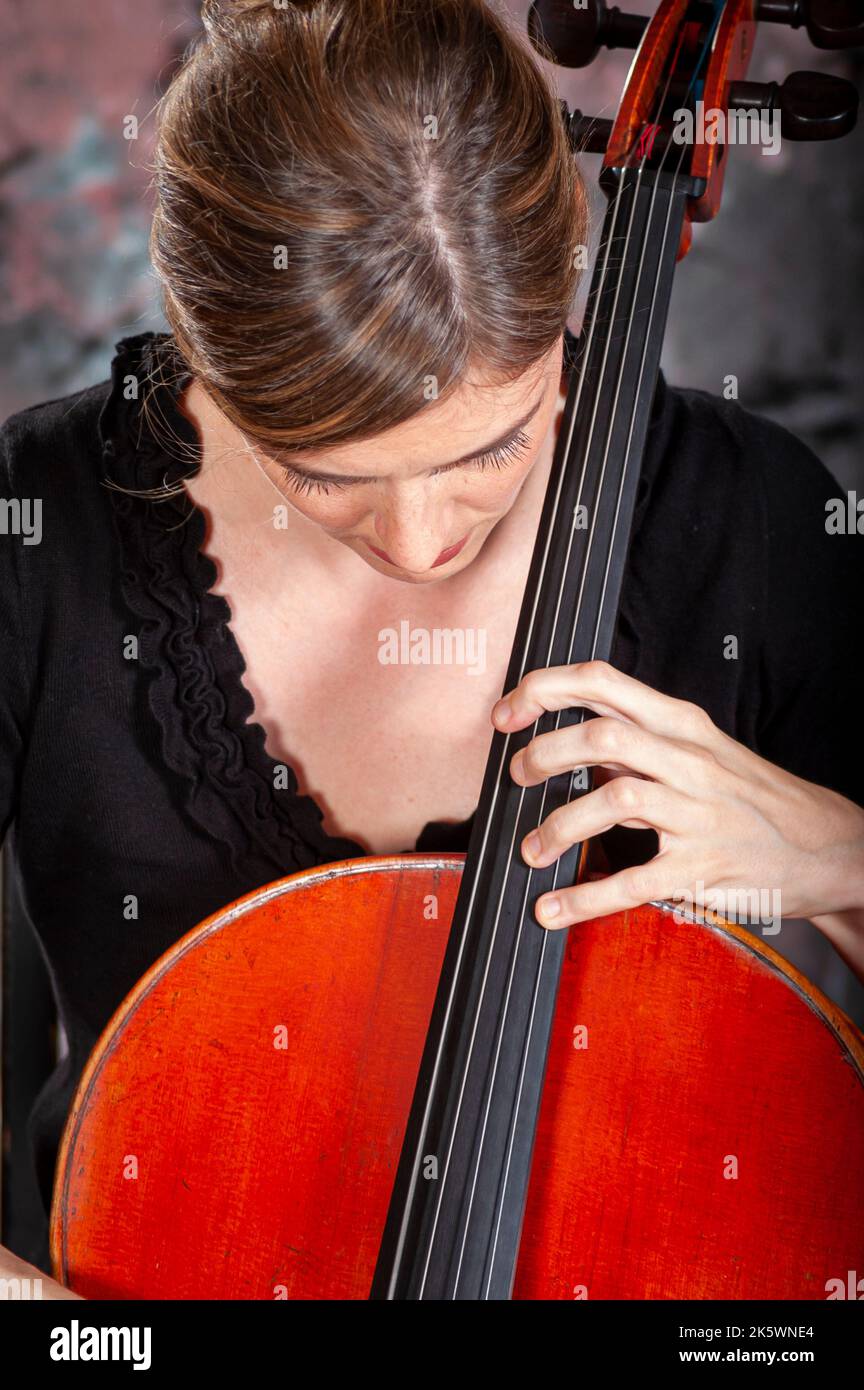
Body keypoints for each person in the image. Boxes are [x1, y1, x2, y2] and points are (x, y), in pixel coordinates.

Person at [0, 0, 861, 1299]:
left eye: (492, 449)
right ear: (206, 353)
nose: (415, 539)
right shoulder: (39, 530)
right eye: (319, 474)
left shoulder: (756, 527)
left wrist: (839, 852)